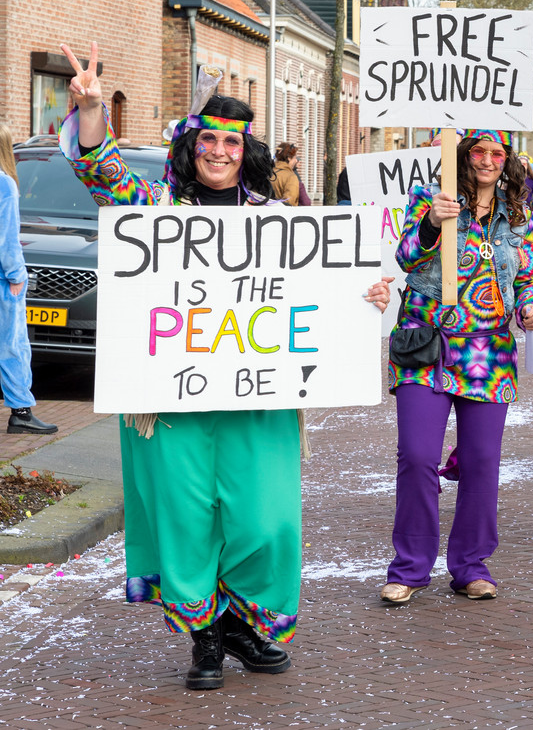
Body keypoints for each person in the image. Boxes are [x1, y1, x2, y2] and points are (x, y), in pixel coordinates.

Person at [56, 43, 391, 691]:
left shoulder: (277, 220)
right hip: (173, 404)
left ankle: (241, 621)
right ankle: (205, 640)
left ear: (247, 152)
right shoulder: (154, 209)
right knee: (187, 519)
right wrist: (91, 108)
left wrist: (368, 294)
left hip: (257, 401)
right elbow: (100, 172)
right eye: (208, 140)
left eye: (231, 143)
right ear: (191, 146)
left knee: (265, 520)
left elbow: (327, 286)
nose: (218, 151)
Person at [380, 129, 533, 606]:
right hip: (427, 344)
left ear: (506, 159)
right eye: (479, 151)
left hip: (489, 350)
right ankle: (409, 569)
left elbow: (530, 275)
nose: (488, 160)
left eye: (497, 153)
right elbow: (407, 256)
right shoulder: (428, 198)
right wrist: (433, 222)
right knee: (416, 456)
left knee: (480, 463)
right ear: (462, 157)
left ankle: (470, 565)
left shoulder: (518, 213)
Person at [0, 125, 57, 435]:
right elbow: (6, 237)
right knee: (13, 346)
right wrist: (16, 274)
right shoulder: (4, 184)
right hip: (2, 279)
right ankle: (21, 411)